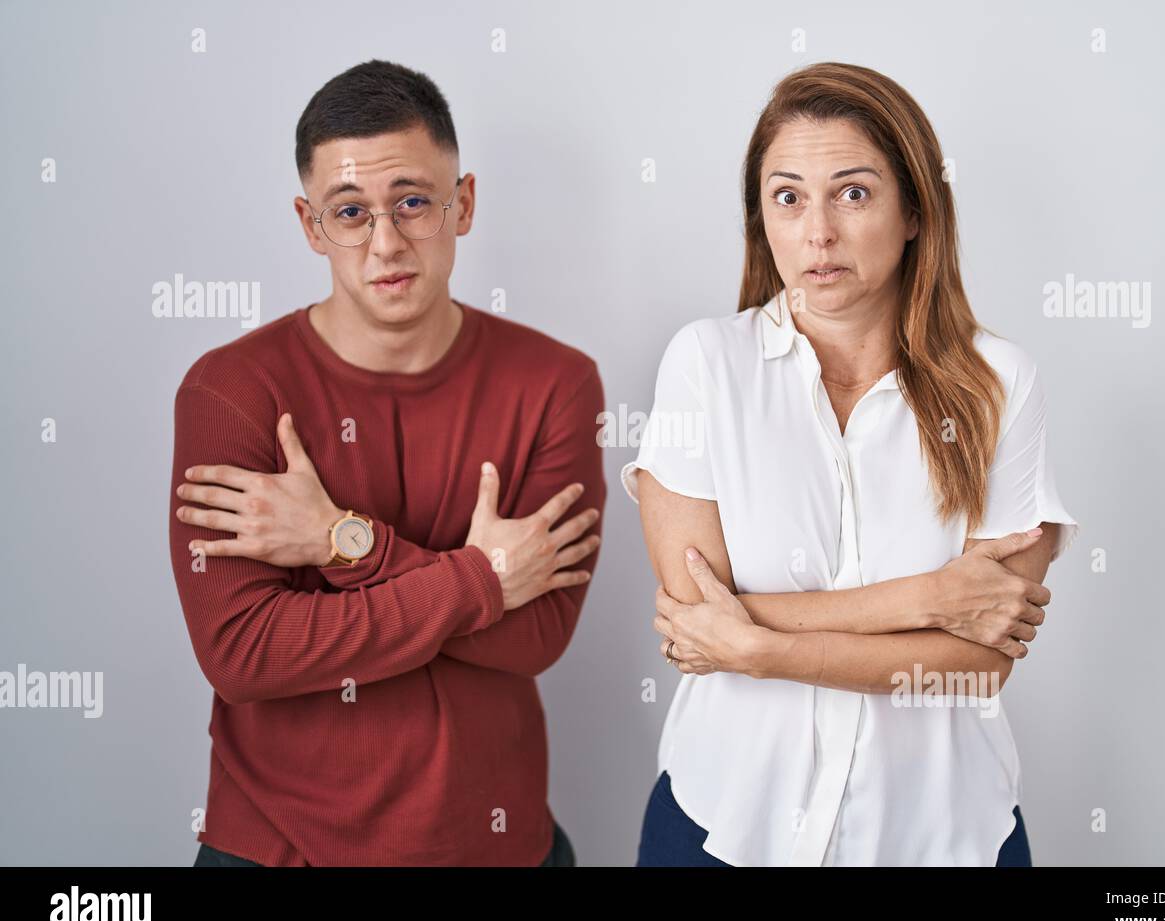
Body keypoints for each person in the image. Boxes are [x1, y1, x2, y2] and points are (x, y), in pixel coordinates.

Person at [624, 62, 1079, 866]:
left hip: (940, 835)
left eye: (855, 193)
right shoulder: (704, 364)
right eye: (789, 196)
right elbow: (698, 613)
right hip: (724, 823)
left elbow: (975, 669)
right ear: (760, 216)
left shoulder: (1001, 382)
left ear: (914, 212)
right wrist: (933, 598)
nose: (818, 232)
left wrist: (762, 648)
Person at [170, 60, 602, 866]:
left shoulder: (555, 382)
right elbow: (244, 656)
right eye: (349, 212)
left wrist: (341, 541)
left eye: (413, 203)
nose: (385, 244)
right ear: (309, 225)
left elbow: (536, 635)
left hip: (495, 844)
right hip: (278, 850)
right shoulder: (228, 393)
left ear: (462, 203)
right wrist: (479, 581)